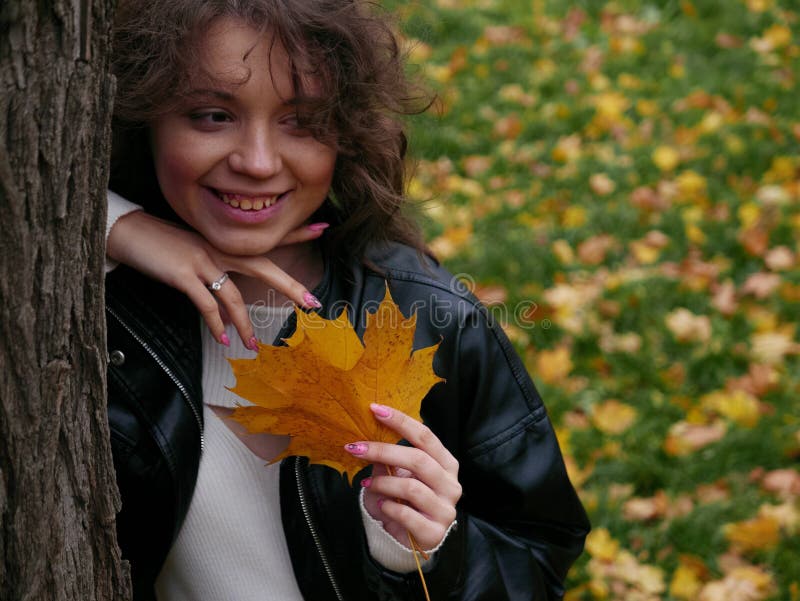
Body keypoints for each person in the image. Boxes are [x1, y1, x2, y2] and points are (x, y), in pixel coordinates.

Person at [105, 1, 590, 600]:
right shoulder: (98, 305)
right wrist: (112, 228)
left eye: (302, 122)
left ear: (347, 132)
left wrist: (425, 555)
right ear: (143, 116)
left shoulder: (431, 323)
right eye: (211, 115)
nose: (256, 162)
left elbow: (537, 562)